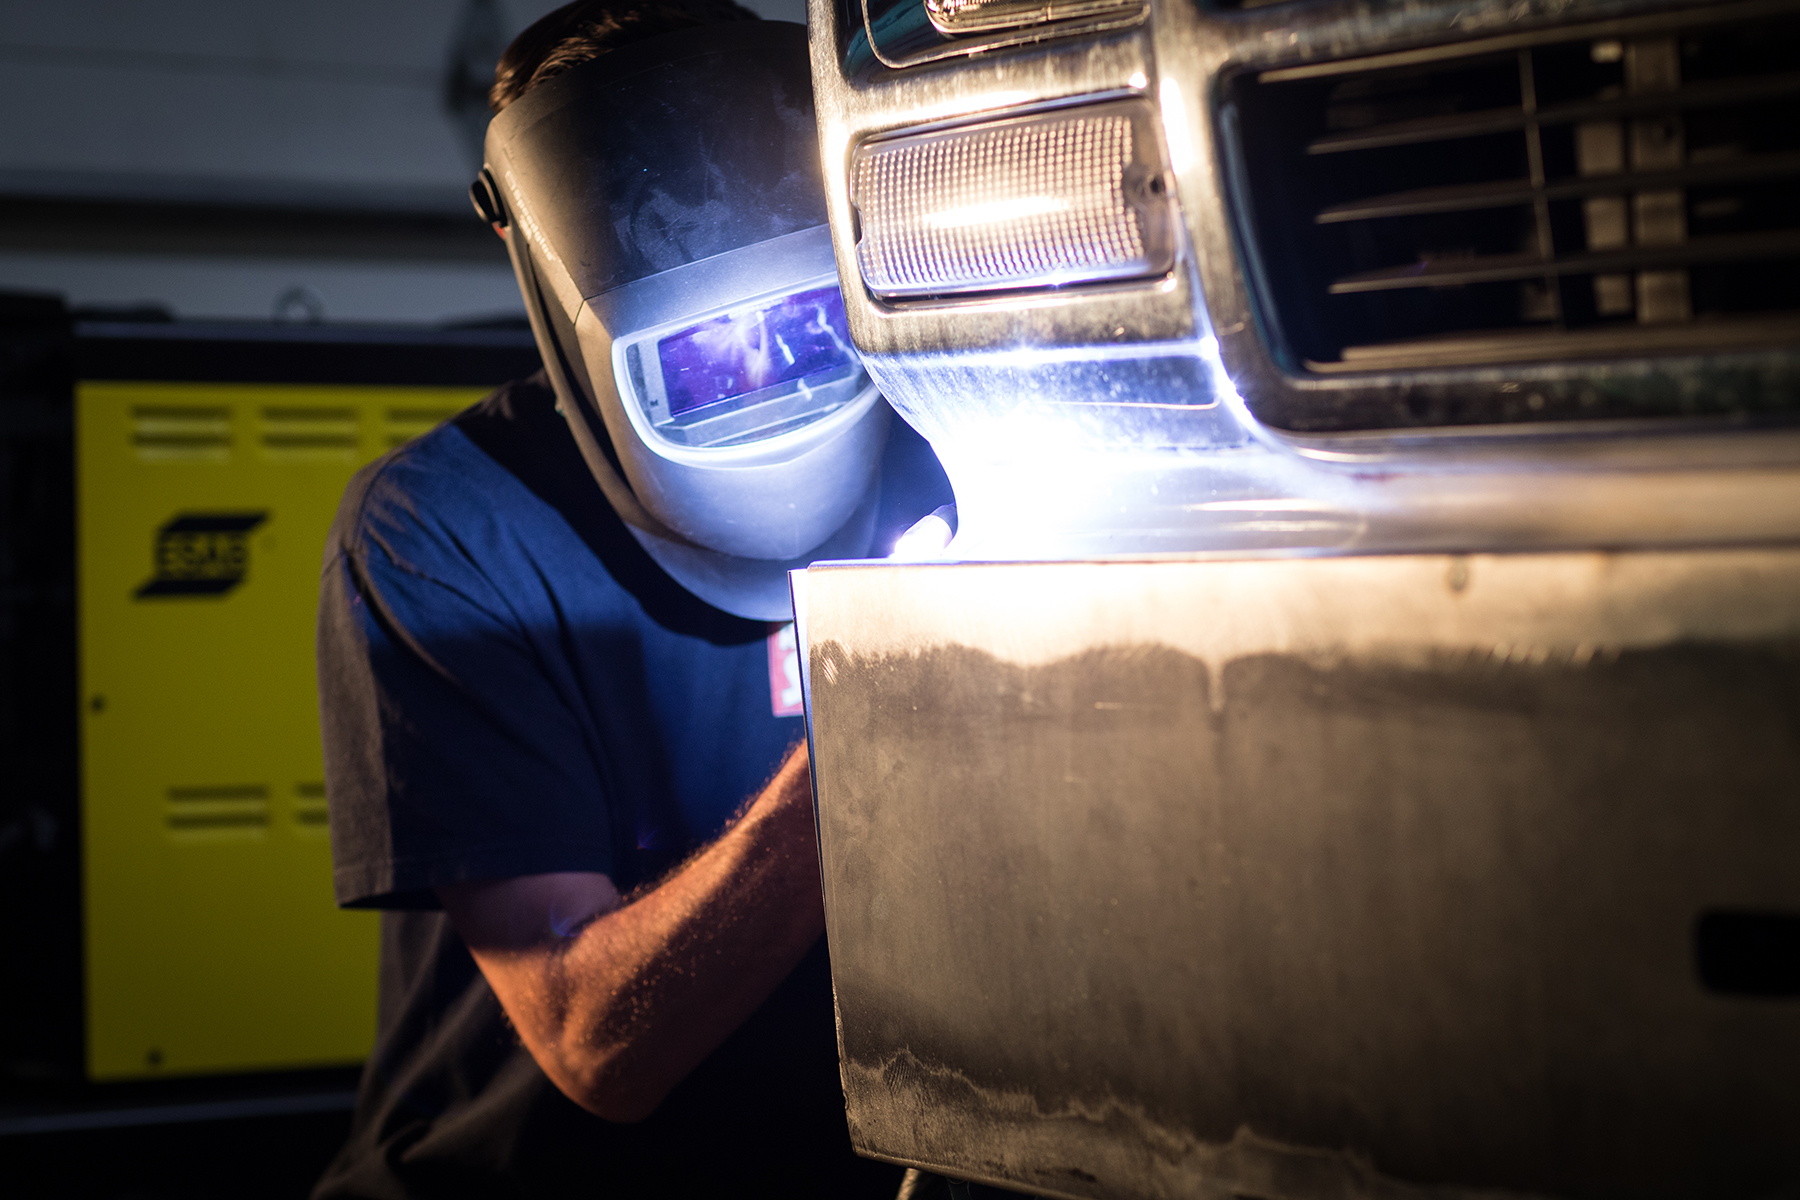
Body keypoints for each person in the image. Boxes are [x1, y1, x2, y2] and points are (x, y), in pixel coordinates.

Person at [310, 4, 948, 1195]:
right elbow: (595, 1042)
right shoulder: (447, 530)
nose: (765, 382)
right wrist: (880, 732)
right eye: (707, 359)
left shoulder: (954, 441)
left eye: (806, 327)